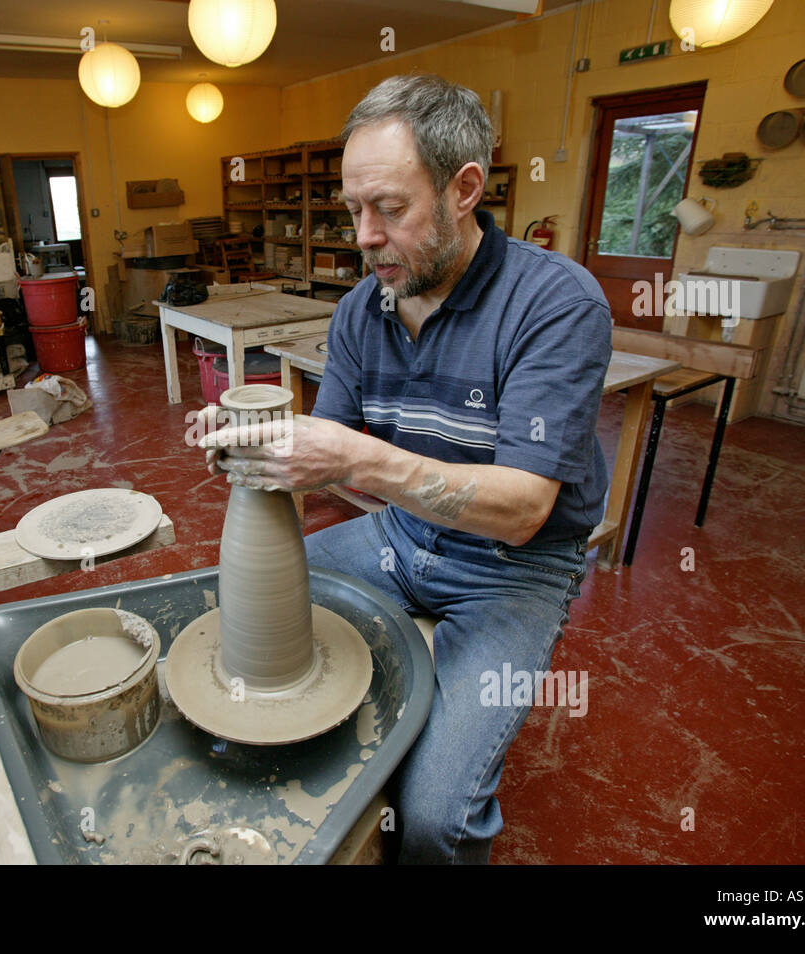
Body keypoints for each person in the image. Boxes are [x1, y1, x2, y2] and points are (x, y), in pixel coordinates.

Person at [204, 74, 613, 863]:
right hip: (399, 536)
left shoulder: (555, 304)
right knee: (236, 612)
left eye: (389, 209)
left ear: (465, 189)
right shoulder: (365, 309)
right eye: (353, 209)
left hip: (512, 568)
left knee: (433, 820)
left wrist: (358, 457)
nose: (363, 235)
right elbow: (321, 446)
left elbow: (525, 508)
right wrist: (253, 445)